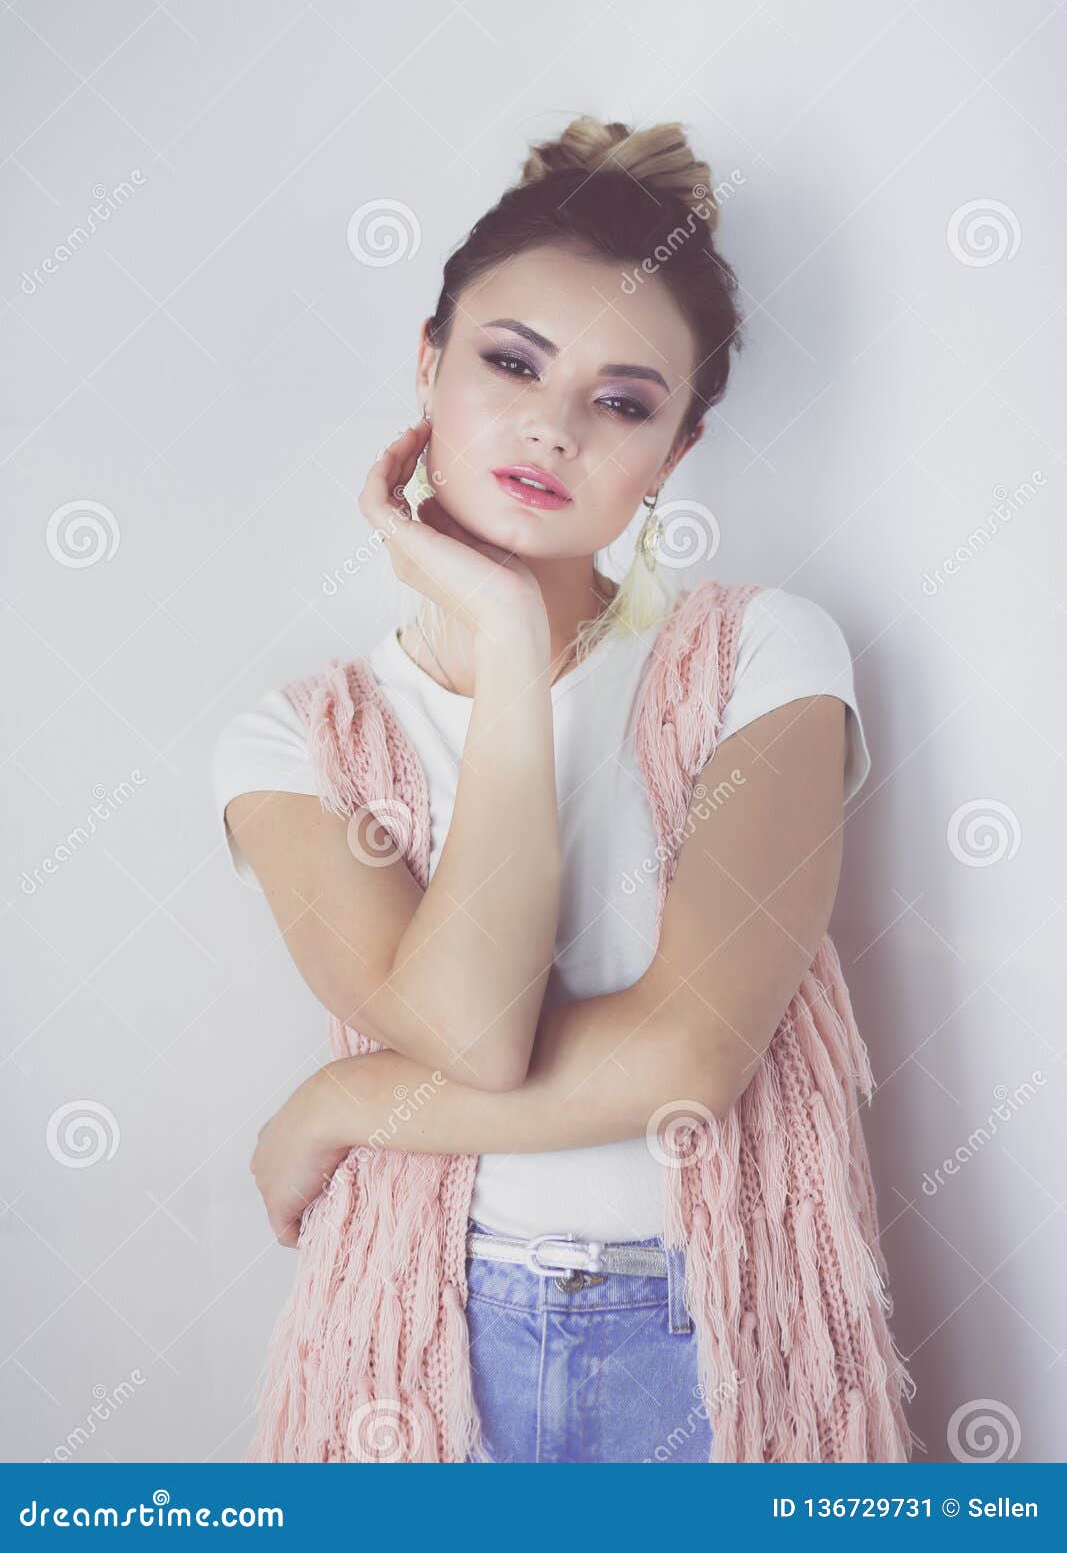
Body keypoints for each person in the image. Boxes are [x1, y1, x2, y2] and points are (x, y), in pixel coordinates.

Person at [212, 117, 910, 1465]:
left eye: (625, 401)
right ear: (429, 362)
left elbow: (688, 1060)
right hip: (414, 1347)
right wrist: (511, 649)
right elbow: (474, 1033)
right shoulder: (295, 744)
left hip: (715, 1341)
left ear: (676, 453)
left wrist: (338, 1105)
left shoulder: (766, 655)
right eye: (510, 361)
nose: (553, 424)